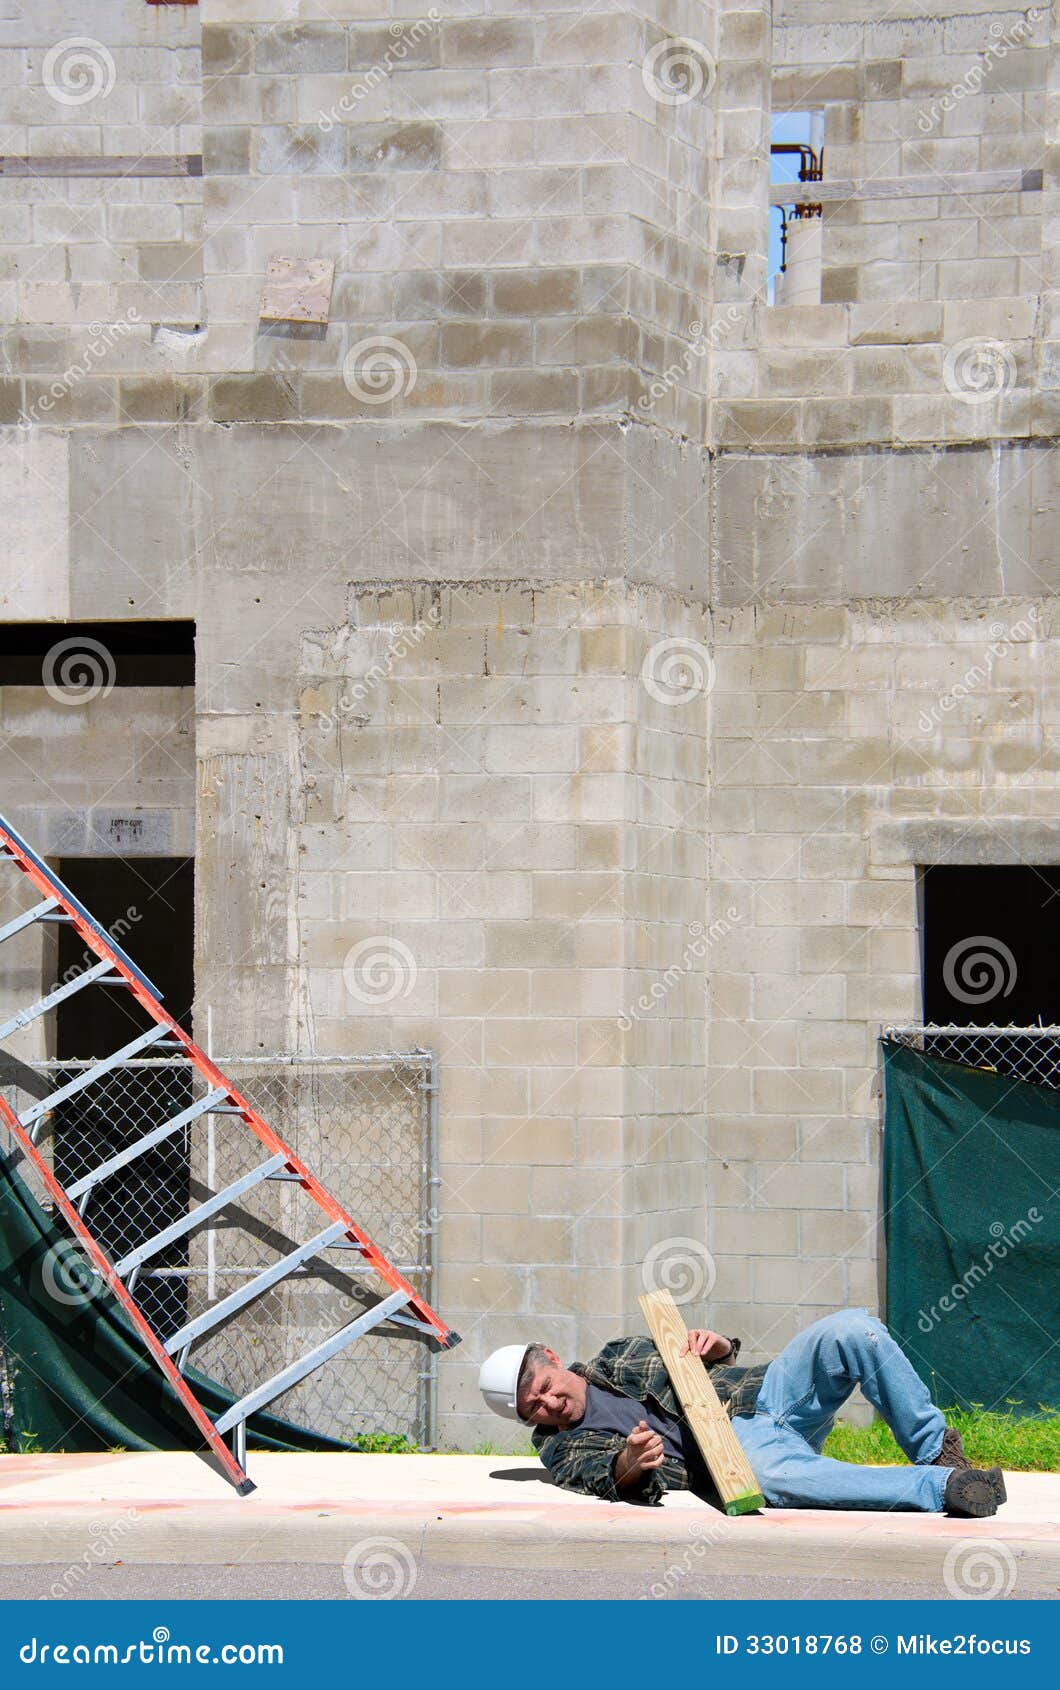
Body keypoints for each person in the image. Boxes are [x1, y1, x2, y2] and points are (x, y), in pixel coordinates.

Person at [479, 1307, 1005, 1516]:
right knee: (778, 1477)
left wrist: (717, 1348)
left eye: (545, 1388)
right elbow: (603, 1479)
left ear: (550, 1356)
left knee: (850, 1328)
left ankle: (938, 1454)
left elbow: (702, 1356)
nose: (550, 1405)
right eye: (535, 1410)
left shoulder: (616, 1354)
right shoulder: (560, 1448)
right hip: (734, 1456)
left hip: (766, 1394)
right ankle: (945, 1491)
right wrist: (632, 1463)